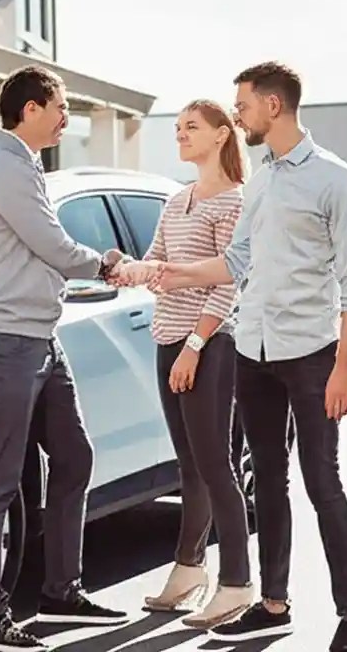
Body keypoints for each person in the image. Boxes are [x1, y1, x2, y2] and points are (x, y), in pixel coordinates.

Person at [151, 61, 347, 652]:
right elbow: (236, 262)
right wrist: (169, 273)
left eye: (243, 105)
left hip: (312, 354)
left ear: (273, 106)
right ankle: (273, 603)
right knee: (267, 482)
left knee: (322, 482)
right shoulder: (262, 182)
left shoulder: (334, 179)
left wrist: (345, 366)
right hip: (253, 352)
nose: (239, 115)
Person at [0, 64, 129, 651]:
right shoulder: (3, 167)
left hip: (38, 338)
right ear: (30, 109)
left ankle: (61, 590)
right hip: (7, 342)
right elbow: (51, 245)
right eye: (60, 108)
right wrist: (105, 264)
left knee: (74, 456)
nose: (65, 119)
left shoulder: (23, 165)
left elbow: (35, 252)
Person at [107, 99, 254, 629]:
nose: (180, 135)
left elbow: (229, 283)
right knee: (189, 465)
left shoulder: (234, 203)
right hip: (167, 339)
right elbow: (157, 262)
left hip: (208, 346)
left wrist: (195, 345)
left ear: (221, 135)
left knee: (216, 465)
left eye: (191, 127)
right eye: (177, 128)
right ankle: (189, 570)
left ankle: (237, 582)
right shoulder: (178, 199)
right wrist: (127, 269)